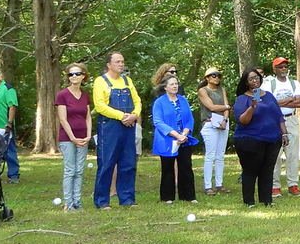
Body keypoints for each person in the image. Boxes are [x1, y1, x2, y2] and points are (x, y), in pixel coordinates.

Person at [91, 51, 142, 209]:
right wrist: (121, 116)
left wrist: (134, 115)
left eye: (122, 61)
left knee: (128, 163)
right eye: (117, 62)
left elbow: (137, 101)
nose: (121, 64)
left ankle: (127, 199)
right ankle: (102, 201)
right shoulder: (101, 81)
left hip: (129, 126)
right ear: (109, 64)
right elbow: (100, 106)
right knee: (106, 163)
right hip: (109, 127)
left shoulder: (127, 80)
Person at [232, 67, 283, 206]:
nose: (255, 80)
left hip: (272, 139)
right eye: (251, 79)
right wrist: (252, 107)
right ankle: (249, 201)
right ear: (246, 82)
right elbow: (243, 120)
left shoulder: (269, 96)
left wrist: (284, 133)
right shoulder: (242, 99)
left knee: (267, 170)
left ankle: (266, 200)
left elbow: (278, 116)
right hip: (250, 140)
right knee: (250, 170)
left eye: (256, 77)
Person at [263, 57, 300, 196]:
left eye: (285, 66)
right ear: (274, 69)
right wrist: (289, 99)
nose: (283, 69)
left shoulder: (294, 83)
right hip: (274, 121)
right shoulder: (268, 84)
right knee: (275, 154)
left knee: (292, 153)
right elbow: (266, 103)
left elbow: (299, 103)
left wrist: (277, 102)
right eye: (280, 67)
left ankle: (293, 184)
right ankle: (275, 186)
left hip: (291, 119)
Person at [152, 73, 197, 203]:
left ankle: (188, 196)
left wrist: (184, 133)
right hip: (167, 140)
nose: (175, 86)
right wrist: (175, 135)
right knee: (167, 168)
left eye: (176, 84)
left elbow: (190, 119)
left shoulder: (183, 100)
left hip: (184, 139)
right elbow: (158, 121)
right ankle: (167, 197)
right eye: (172, 84)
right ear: (165, 87)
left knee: (186, 167)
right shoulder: (159, 102)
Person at [55, 64, 90, 210]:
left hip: (83, 137)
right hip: (67, 138)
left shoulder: (85, 95)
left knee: (79, 170)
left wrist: (88, 135)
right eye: (71, 74)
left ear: (83, 76)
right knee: (70, 170)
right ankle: (68, 204)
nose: (74, 76)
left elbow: (88, 117)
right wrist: (73, 138)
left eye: (77, 74)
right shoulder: (62, 95)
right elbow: (63, 119)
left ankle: (77, 202)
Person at [197, 69, 231, 196]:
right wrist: (226, 107)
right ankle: (208, 186)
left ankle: (219, 184)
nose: (217, 78)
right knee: (210, 155)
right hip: (209, 123)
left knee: (220, 155)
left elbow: (226, 107)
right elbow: (211, 107)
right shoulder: (203, 90)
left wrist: (225, 119)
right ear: (207, 78)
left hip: (223, 122)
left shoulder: (222, 90)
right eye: (214, 75)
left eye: (218, 76)